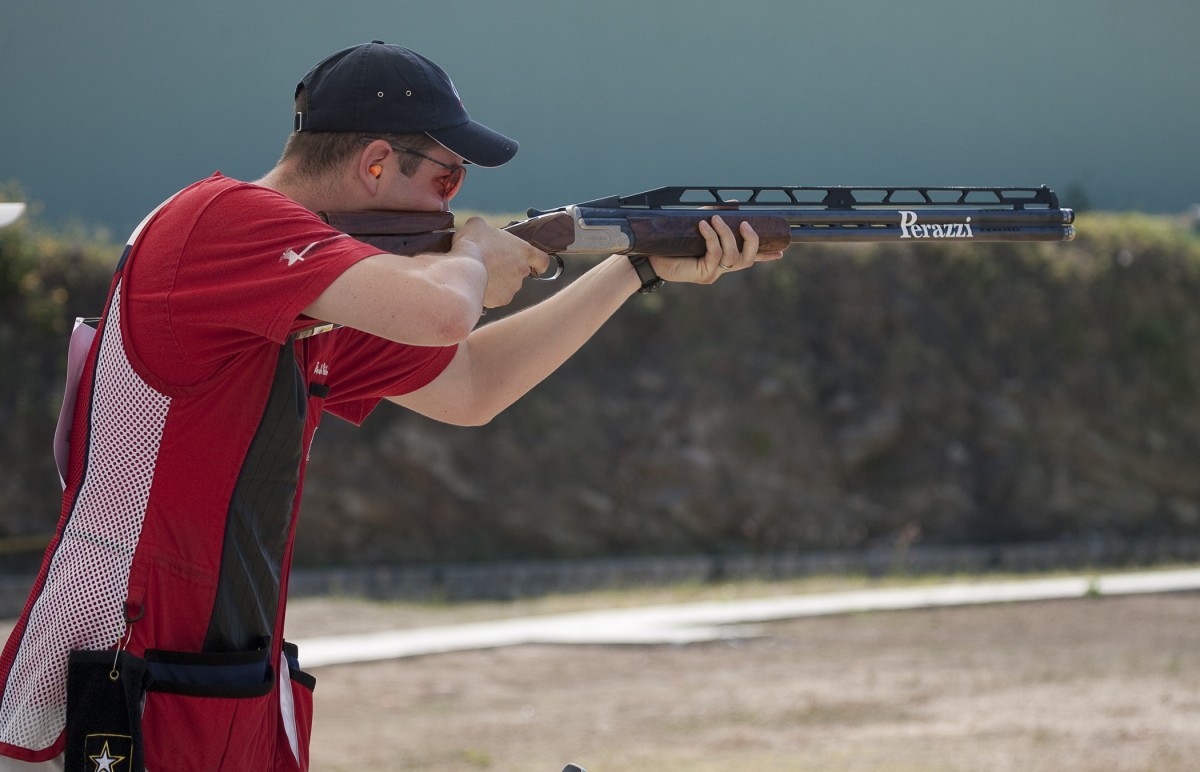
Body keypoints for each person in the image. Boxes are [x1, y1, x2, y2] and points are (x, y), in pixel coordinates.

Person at [0, 41, 782, 770]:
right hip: (116, 664)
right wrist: (471, 255)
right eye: (446, 181)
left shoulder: (301, 298)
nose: (451, 205)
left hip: (208, 666)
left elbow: (471, 382)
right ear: (376, 164)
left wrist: (631, 271)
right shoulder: (224, 220)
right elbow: (446, 315)